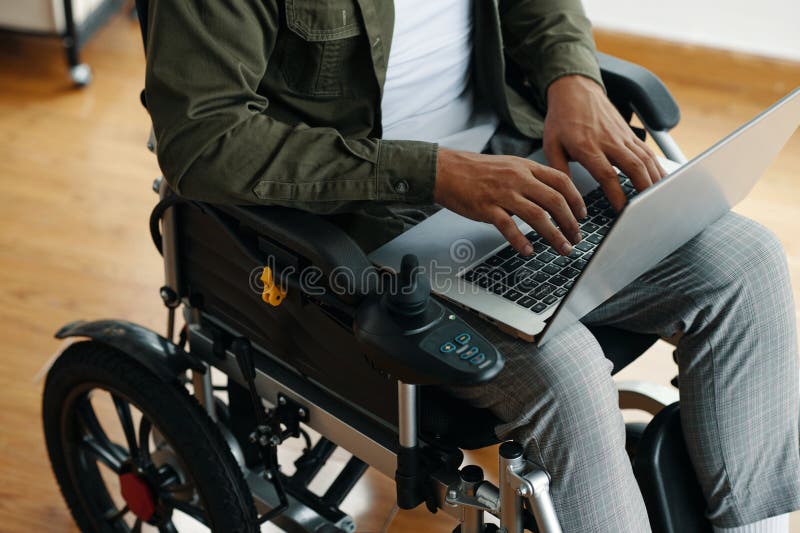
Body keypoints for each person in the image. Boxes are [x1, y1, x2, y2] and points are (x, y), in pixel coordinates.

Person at [143, 1, 800, 531]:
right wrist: (437, 172)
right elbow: (204, 142)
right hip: (367, 231)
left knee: (746, 264)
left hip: (519, 161)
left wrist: (572, 76)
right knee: (563, 371)